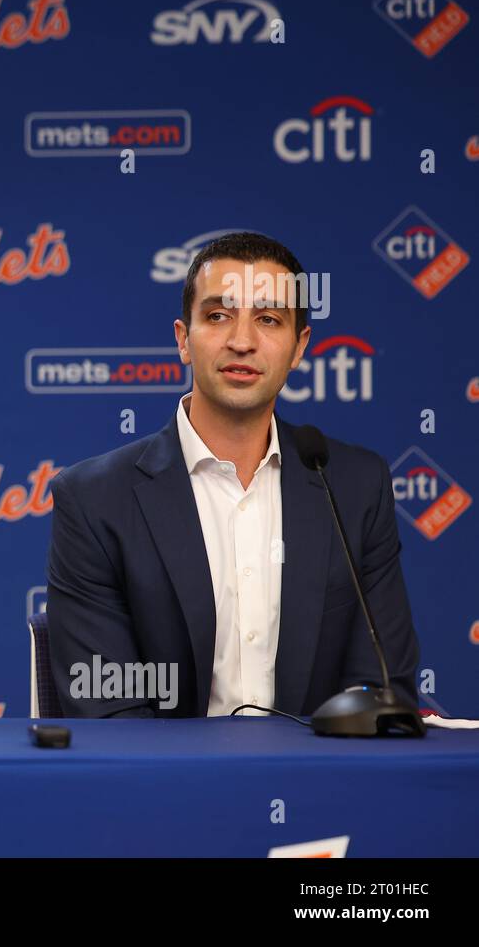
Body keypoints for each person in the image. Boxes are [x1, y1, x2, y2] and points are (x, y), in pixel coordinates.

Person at [45, 233, 420, 718]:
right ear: (183, 338)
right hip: (163, 789)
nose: (242, 341)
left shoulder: (354, 486)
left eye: (268, 319)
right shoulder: (94, 500)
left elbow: (380, 691)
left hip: (319, 784)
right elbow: (109, 710)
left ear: (299, 346)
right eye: (218, 316)